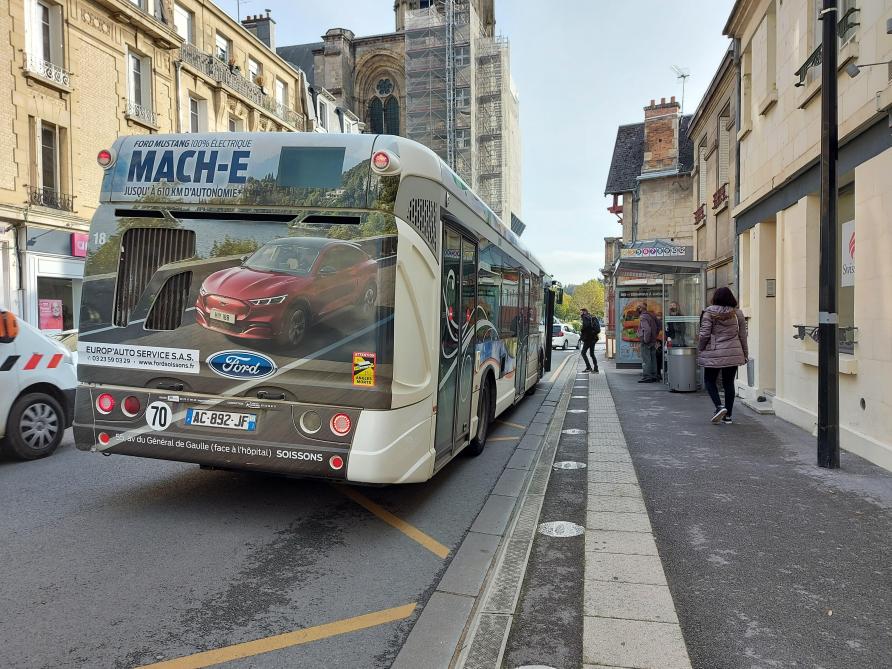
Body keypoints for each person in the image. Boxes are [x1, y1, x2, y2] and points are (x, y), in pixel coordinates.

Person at [698, 287, 748, 424]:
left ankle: (719, 406)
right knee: (728, 383)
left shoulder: (709, 313)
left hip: (714, 352)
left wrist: (700, 349)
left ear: (715, 298)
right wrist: (745, 353)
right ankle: (728, 416)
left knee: (709, 380)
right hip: (733, 352)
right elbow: (743, 335)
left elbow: (704, 334)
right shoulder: (738, 314)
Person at [636, 303, 660, 383]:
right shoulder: (652, 315)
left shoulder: (643, 317)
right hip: (653, 340)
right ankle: (654, 375)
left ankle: (647, 376)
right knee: (653, 358)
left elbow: (647, 329)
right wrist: (654, 336)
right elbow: (659, 325)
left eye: (638, 308)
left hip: (646, 341)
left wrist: (646, 339)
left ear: (640, 309)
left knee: (646, 359)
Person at [579, 307, 600, 373]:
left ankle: (588, 367)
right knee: (592, 354)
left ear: (584, 311)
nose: (581, 313)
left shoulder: (585, 317)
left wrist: (582, 330)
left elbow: (586, 326)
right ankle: (596, 369)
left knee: (583, 353)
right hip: (593, 338)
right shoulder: (592, 317)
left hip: (588, 339)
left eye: (581, 311)